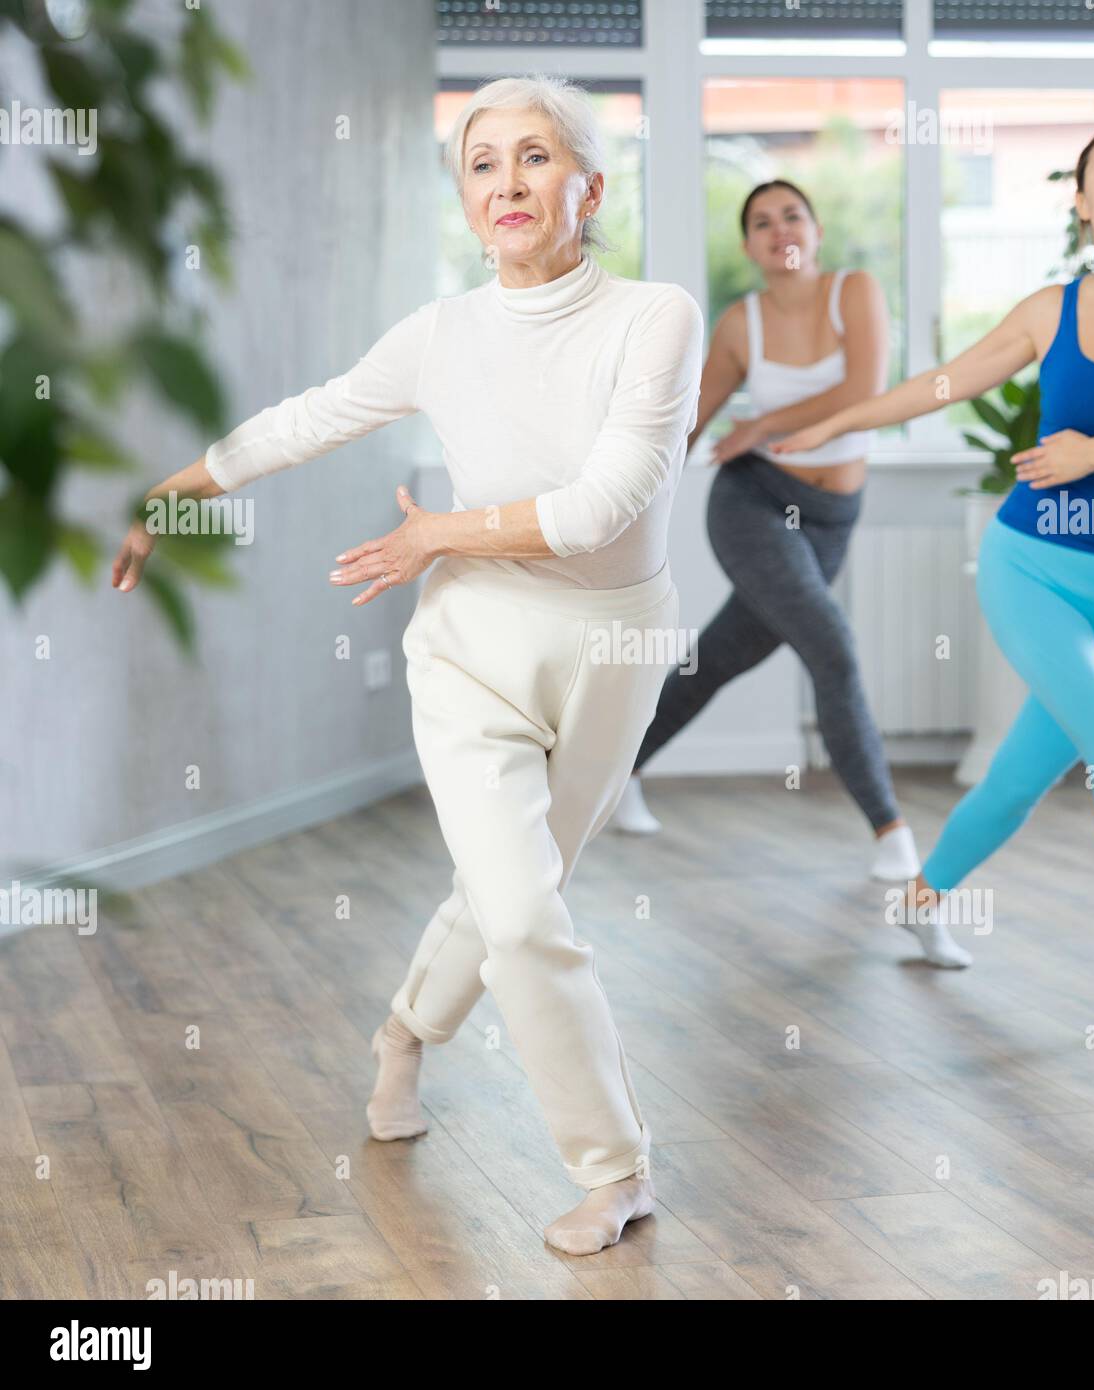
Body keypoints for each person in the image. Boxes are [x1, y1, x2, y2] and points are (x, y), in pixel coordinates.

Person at [110, 74, 704, 1252]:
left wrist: (438, 532)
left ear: (589, 187)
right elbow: (311, 416)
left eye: (535, 157)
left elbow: (600, 508)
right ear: (466, 198)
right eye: (482, 164)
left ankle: (402, 1032)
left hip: (614, 645)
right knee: (522, 912)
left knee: (507, 896)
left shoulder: (656, 317)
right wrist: (171, 493)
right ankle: (614, 1168)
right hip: (472, 644)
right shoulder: (441, 334)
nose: (507, 182)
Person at [771, 119, 1094, 1029]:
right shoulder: (1049, 311)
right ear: (1083, 202)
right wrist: (837, 423)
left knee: (1021, 774)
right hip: (1033, 565)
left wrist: (1092, 452)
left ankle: (920, 902)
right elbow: (942, 385)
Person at [612, 179, 922, 886]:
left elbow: (865, 392)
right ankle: (891, 830)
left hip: (832, 520)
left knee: (718, 657)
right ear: (749, 247)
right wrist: (625, 506)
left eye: (792, 216)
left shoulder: (855, 293)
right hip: (753, 506)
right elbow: (688, 424)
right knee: (832, 649)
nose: (780, 229)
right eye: (762, 222)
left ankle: (615, 773)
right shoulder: (740, 325)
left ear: (815, 232)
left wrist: (761, 424)